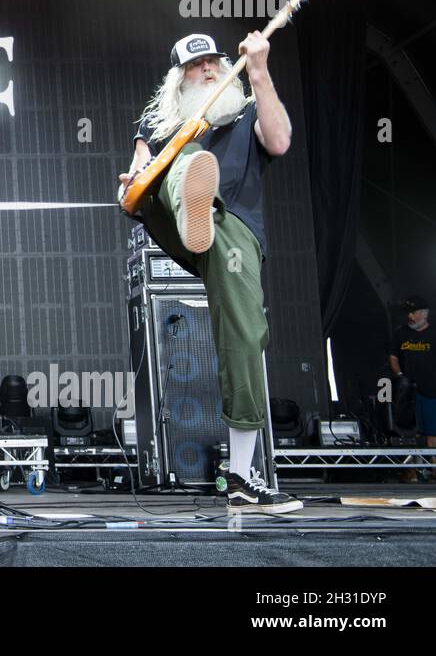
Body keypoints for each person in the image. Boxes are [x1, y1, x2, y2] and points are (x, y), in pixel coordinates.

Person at [120, 31, 302, 514]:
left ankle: (242, 475)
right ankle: (192, 200)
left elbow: (280, 141)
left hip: (231, 232)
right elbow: (133, 180)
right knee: (185, 157)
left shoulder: (246, 111)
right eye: (196, 65)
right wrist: (131, 183)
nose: (208, 70)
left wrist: (259, 71)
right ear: (178, 77)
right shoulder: (157, 122)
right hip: (169, 216)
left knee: (244, 334)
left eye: (214, 62)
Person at [389, 295, 434, 480]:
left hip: (432, 390)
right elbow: (393, 357)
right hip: (407, 391)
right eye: (408, 313)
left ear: (424, 313)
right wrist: (400, 377)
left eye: (414, 312)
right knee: (409, 432)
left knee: (432, 433)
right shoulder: (400, 333)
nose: (410, 316)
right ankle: (412, 469)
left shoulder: (433, 334)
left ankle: (433, 468)